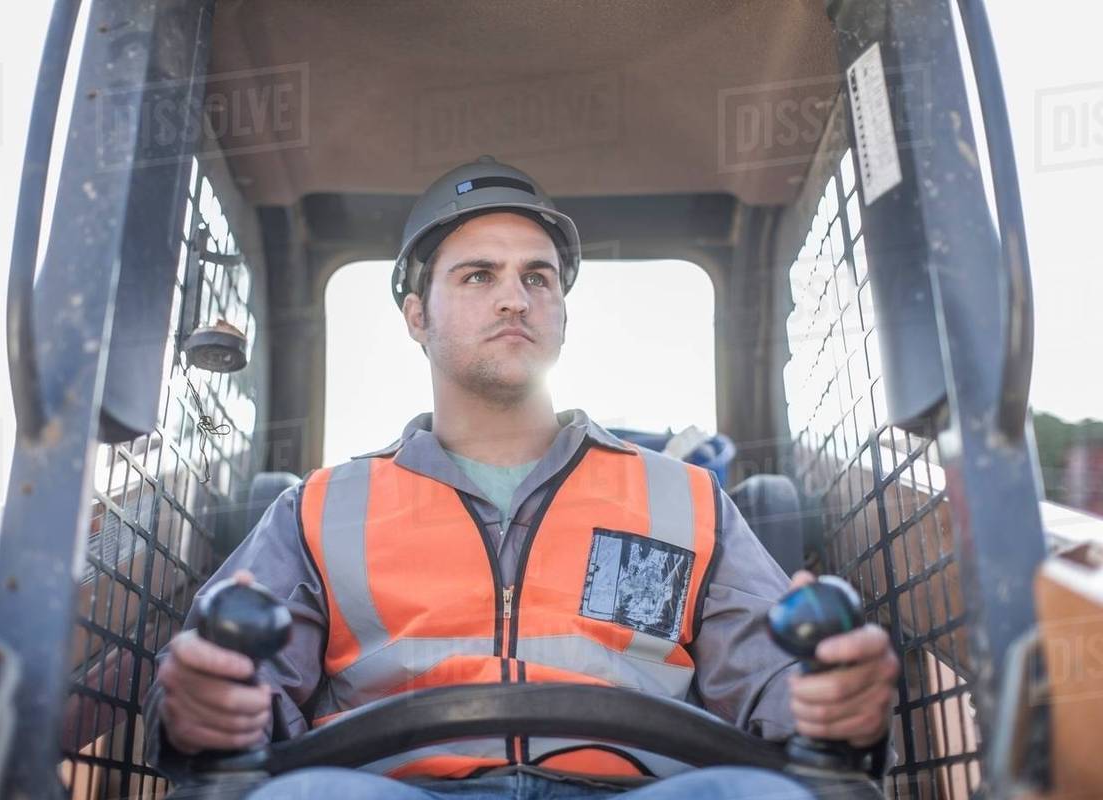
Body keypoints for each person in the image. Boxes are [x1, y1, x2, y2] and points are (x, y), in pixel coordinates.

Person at [142, 156, 898, 799]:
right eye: (478, 276)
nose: (515, 297)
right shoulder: (317, 509)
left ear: (563, 314)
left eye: (538, 278)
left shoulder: (687, 497)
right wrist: (206, 701)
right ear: (415, 315)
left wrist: (828, 702)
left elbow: (771, 680)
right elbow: (236, 690)